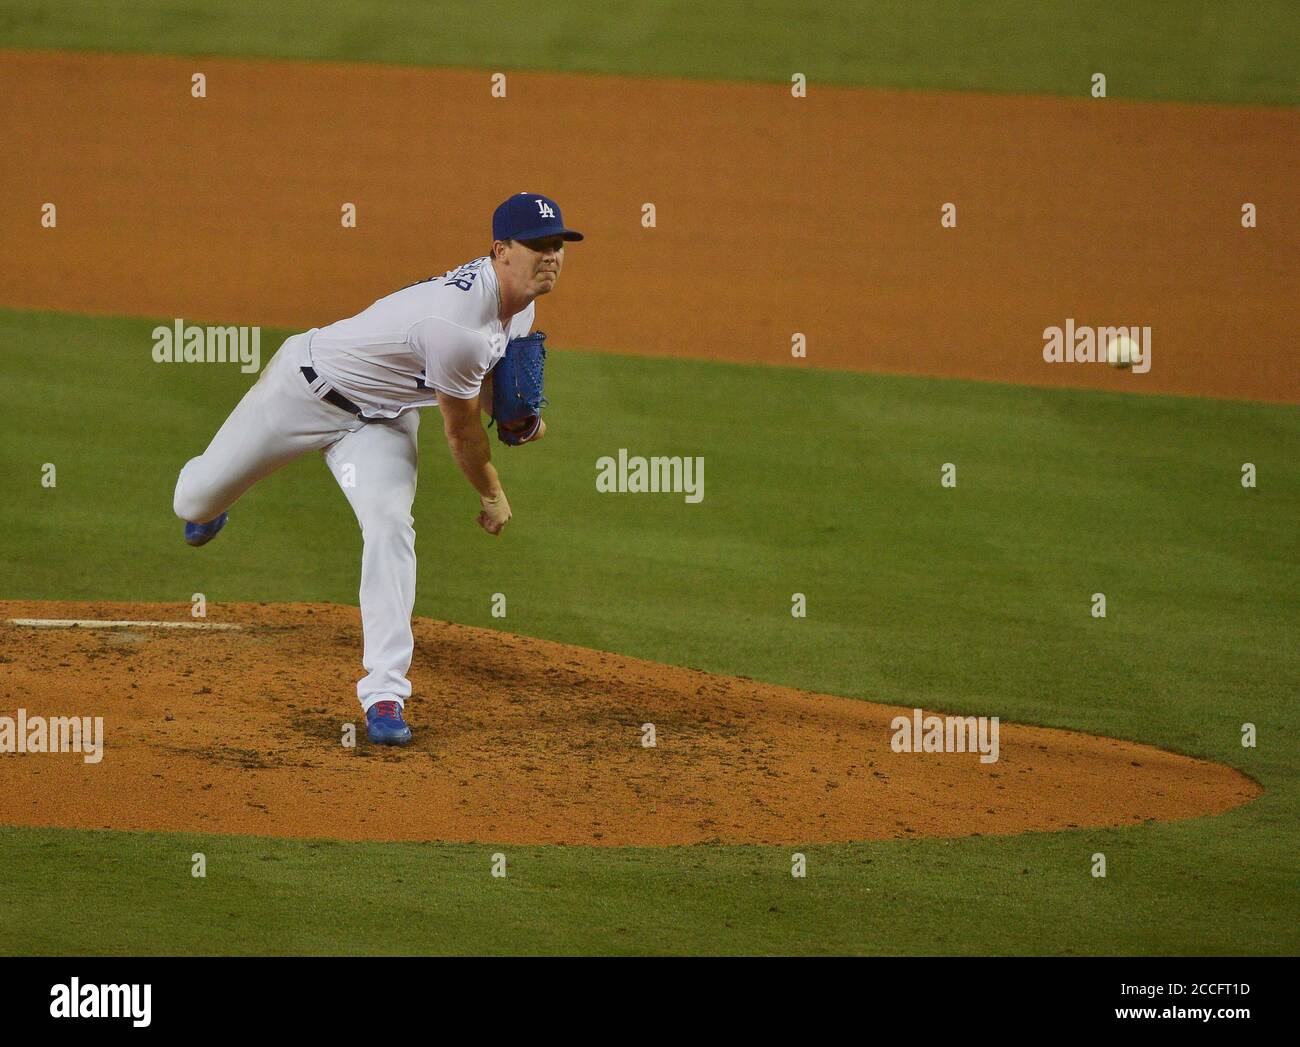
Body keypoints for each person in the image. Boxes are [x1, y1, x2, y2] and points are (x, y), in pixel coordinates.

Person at [172, 192, 582, 745]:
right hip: (304, 390)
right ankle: (212, 507)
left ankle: (384, 693)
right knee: (194, 500)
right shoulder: (456, 324)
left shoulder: (521, 303)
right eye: (537, 246)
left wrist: (513, 414)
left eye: (557, 245)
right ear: (499, 251)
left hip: (378, 426)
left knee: (390, 525)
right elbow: (460, 432)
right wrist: (492, 494)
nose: (551, 256)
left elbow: (482, 379)